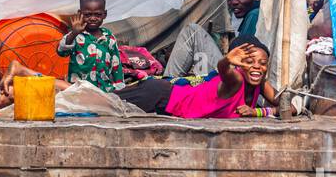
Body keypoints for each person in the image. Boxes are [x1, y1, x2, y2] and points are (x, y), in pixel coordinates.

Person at [117, 36, 277, 119]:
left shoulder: (261, 83)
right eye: (249, 62)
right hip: (159, 94)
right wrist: (227, 60)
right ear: (239, 65)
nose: (257, 66)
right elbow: (224, 70)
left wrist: (258, 112)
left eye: (262, 63)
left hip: (168, 108)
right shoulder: (237, 79)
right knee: (105, 104)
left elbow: (289, 106)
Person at [163, 0, 262, 78]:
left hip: (234, 78)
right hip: (233, 74)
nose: (234, 2)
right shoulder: (251, 16)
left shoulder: (254, 15)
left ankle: (167, 83)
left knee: (192, 31)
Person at [55, 0, 127, 92]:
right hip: (79, 91)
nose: (93, 18)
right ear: (80, 13)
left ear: (104, 14)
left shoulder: (109, 37)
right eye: (88, 15)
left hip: (104, 90)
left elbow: (116, 65)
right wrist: (74, 33)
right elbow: (61, 52)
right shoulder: (76, 35)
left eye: (97, 14)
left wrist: (119, 87)